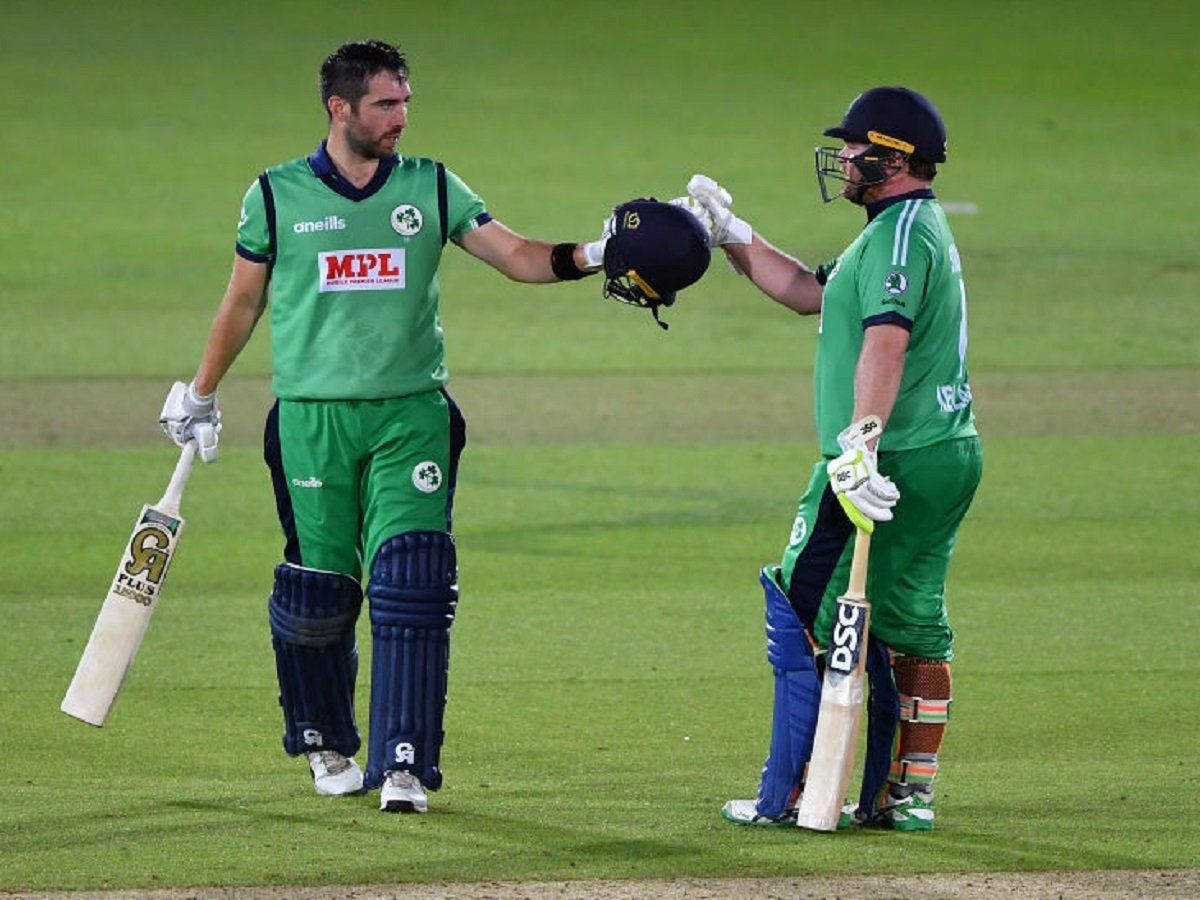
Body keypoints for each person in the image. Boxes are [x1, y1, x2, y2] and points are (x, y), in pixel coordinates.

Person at [157, 39, 630, 814]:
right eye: (385, 103)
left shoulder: (432, 187)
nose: (401, 117)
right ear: (339, 107)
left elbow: (514, 256)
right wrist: (202, 392)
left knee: (413, 581)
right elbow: (243, 302)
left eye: (406, 101)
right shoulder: (274, 196)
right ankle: (325, 741)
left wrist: (595, 252)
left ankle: (404, 762)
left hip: (412, 414)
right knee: (320, 594)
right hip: (312, 420)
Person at [686, 86, 982, 832]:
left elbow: (887, 340)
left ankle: (784, 793)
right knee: (911, 625)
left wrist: (860, 444)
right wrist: (732, 233)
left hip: (888, 457)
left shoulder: (898, 238)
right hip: (946, 451)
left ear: (892, 157)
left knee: (795, 607)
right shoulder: (904, 227)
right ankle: (903, 796)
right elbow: (806, 290)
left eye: (854, 147)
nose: (843, 158)